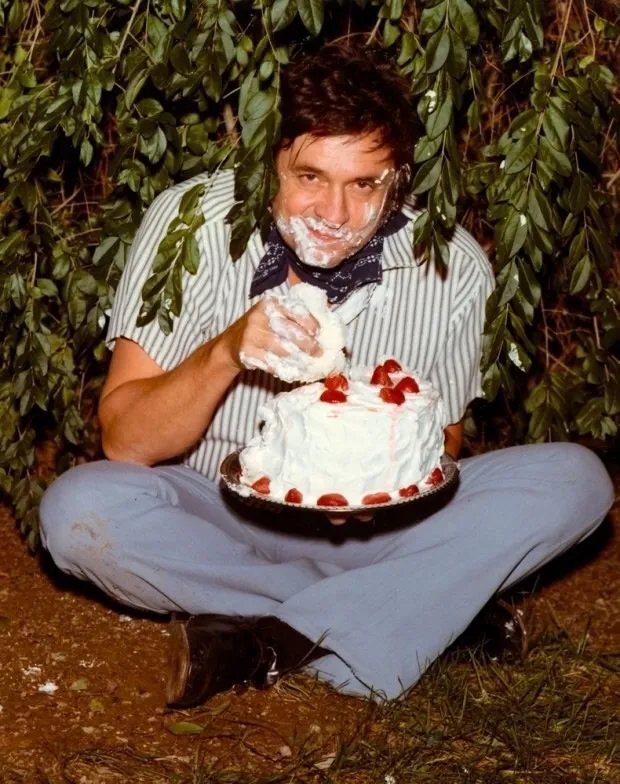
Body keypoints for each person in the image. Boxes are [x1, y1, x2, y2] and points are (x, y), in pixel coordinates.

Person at [39, 45, 614, 709]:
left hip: (376, 535)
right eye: (309, 176)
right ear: (266, 163)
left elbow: (443, 446)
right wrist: (226, 351)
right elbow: (127, 441)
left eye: (364, 184)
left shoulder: (451, 266)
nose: (334, 213)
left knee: (576, 480)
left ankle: (272, 641)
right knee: (79, 511)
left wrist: (368, 486)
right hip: (213, 520)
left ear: (398, 178)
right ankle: (422, 611)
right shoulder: (189, 224)